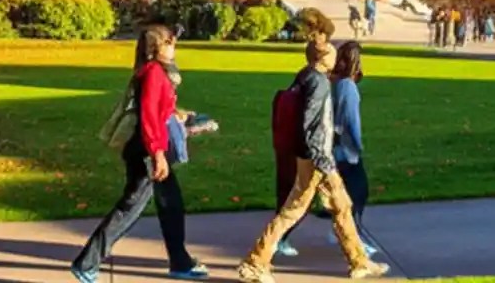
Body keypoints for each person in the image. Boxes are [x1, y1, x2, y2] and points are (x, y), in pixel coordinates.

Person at [237, 35, 388, 283]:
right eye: (330, 52)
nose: (335, 56)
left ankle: (359, 261)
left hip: (313, 156)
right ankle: (255, 262)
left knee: (342, 206)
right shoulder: (318, 82)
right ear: (322, 57)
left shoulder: (306, 75)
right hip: (317, 158)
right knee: (293, 210)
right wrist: (322, 159)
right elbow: (311, 123)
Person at [73, 25, 209, 282]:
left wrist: (183, 116)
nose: (174, 46)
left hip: (152, 149)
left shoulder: (158, 73)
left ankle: (180, 262)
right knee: (130, 208)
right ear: (154, 48)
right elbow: (148, 118)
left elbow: (160, 110)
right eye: (169, 42)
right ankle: (87, 262)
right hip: (147, 152)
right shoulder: (154, 74)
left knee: (172, 204)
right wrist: (157, 154)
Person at [325, 41, 379, 256]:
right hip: (347, 150)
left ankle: (346, 232)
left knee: (348, 193)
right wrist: (357, 143)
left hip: (339, 147)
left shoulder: (337, 84)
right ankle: (351, 236)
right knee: (357, 193)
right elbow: (349, 120)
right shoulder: (347, 86)